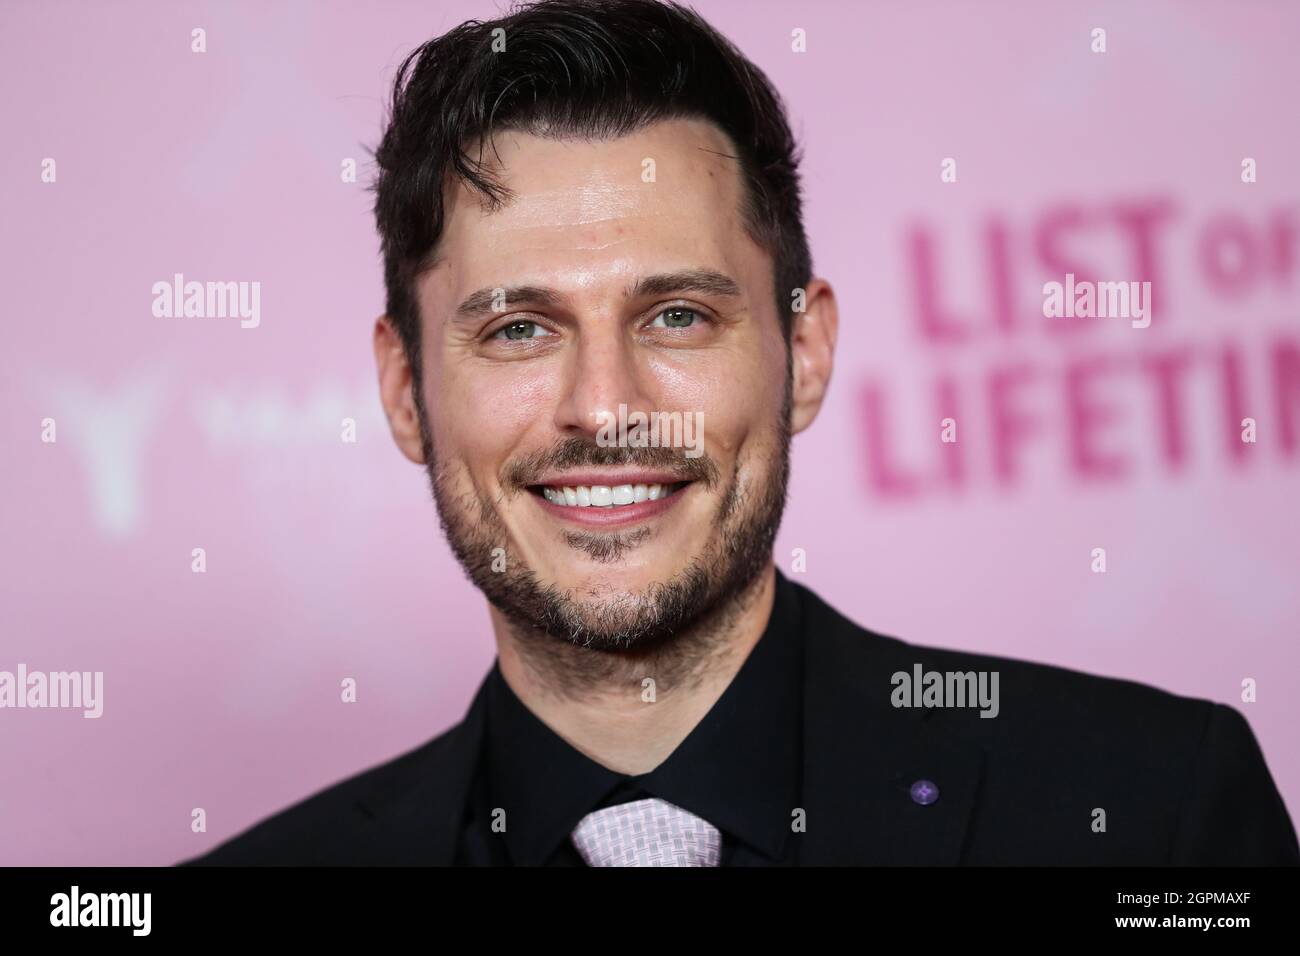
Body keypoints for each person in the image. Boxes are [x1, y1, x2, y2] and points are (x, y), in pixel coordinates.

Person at [182, 0, 1297, 866]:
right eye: (519, 328)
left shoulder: (1153, 810)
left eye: (677, 315)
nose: (606, 405)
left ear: (802, 352)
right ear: (404, 387)